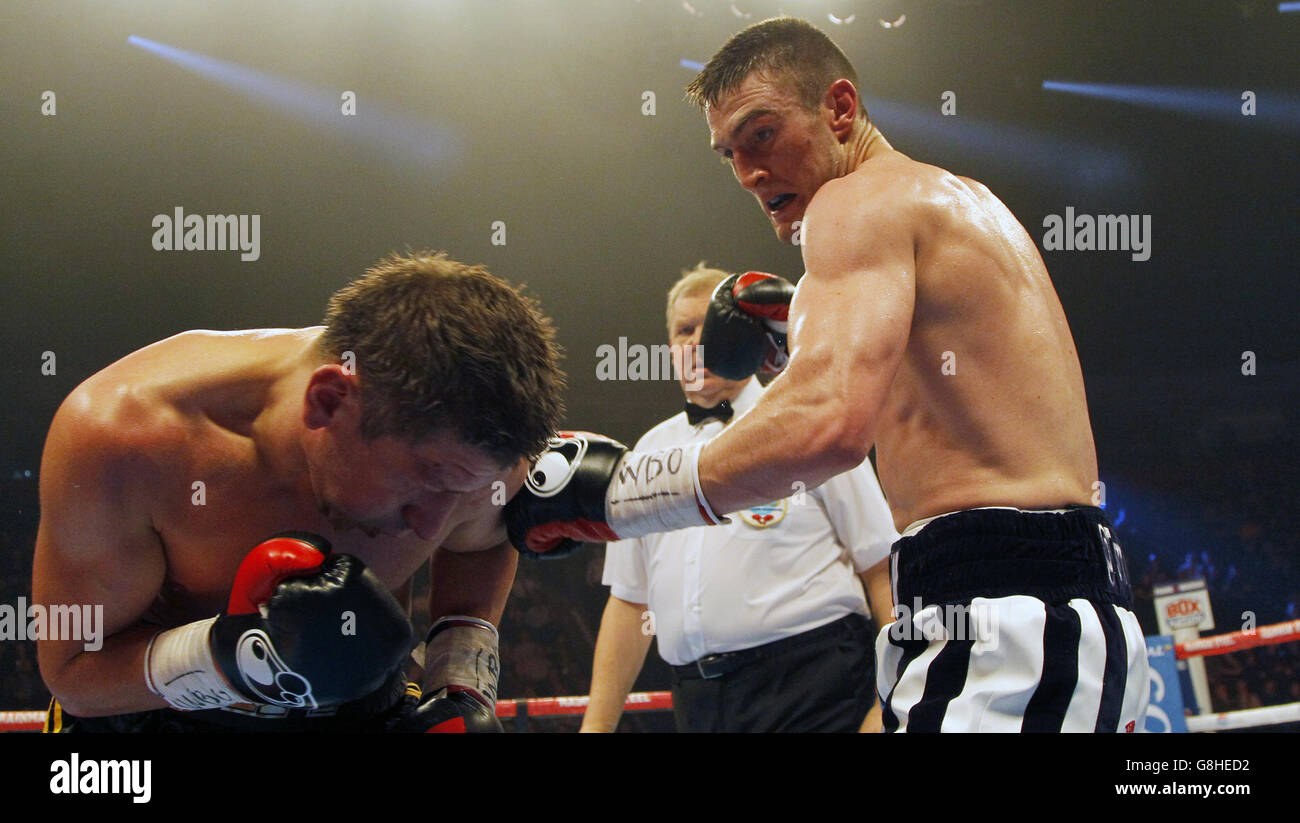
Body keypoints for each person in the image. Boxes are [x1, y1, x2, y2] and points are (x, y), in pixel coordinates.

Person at [507, 17, 1149, 733]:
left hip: (1002, 611)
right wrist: (801, 337)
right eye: (729, 153)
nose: (748, 172)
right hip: (1048, 601)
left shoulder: (854, 202)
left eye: (762, 133)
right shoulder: (960, 201)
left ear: (840, 108)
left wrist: (622, 493)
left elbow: (829, 423)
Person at [34, 251, 565, 732]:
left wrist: (460, 680)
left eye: (462, 491)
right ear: (329, 402)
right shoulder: (127, 437)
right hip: (155, 716)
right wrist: (230, 660)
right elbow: (76, 675)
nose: (432, 525)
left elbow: (481, 541)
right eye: (425, 482)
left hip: (359, 708)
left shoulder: (480, 451)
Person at [579, 264, 897, 733]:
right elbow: (630, 602)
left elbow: (881, 565)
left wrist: (890, 702)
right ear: (669, 348)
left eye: (712, 326)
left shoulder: (807, 424)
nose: (697, 341)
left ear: (746, 338)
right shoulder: (646, 453)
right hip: (700, 704)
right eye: (684, 330)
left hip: (816, 687)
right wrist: (595, 729)